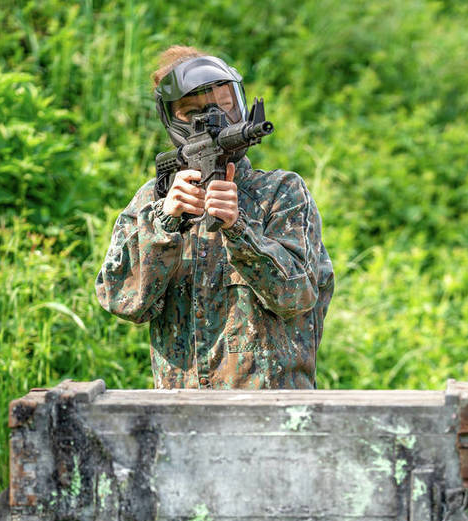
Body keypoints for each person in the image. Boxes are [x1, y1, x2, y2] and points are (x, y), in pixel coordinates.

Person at [96, 46, 333, 389]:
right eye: (192, 112)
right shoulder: (155, 199)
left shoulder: (281, 193)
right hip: (182, 417)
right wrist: (165, 224)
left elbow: (298, 296)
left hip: (272, 415)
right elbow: (121, 300)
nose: (212, 120)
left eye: (224, 106)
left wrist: (239, 229)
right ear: (171, 120)